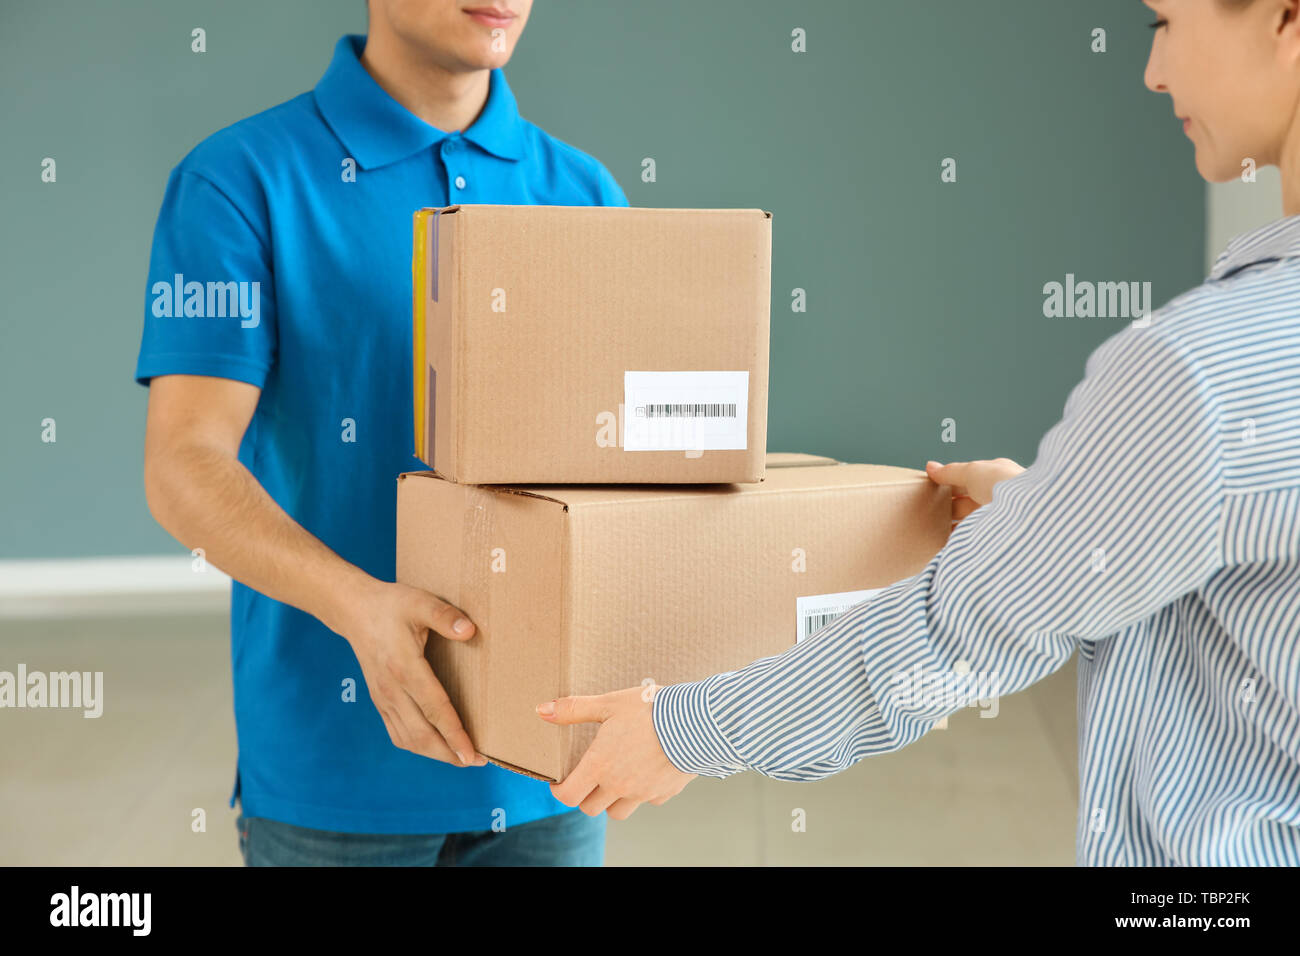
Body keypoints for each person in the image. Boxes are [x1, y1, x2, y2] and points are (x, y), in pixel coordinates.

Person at [538, 0, 1300, 866]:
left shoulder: (1198, 369)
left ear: (1286, 20)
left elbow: (951, 636)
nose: (1153, 71)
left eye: (1164, 20)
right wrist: (1051, 515)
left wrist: (680, 731)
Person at [137, 0, 626, 865]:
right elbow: (184, 460)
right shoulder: (238, 180)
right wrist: (359, 607)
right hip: (331, 780)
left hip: (551, 771)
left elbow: (630, 488)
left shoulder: (585, 195)